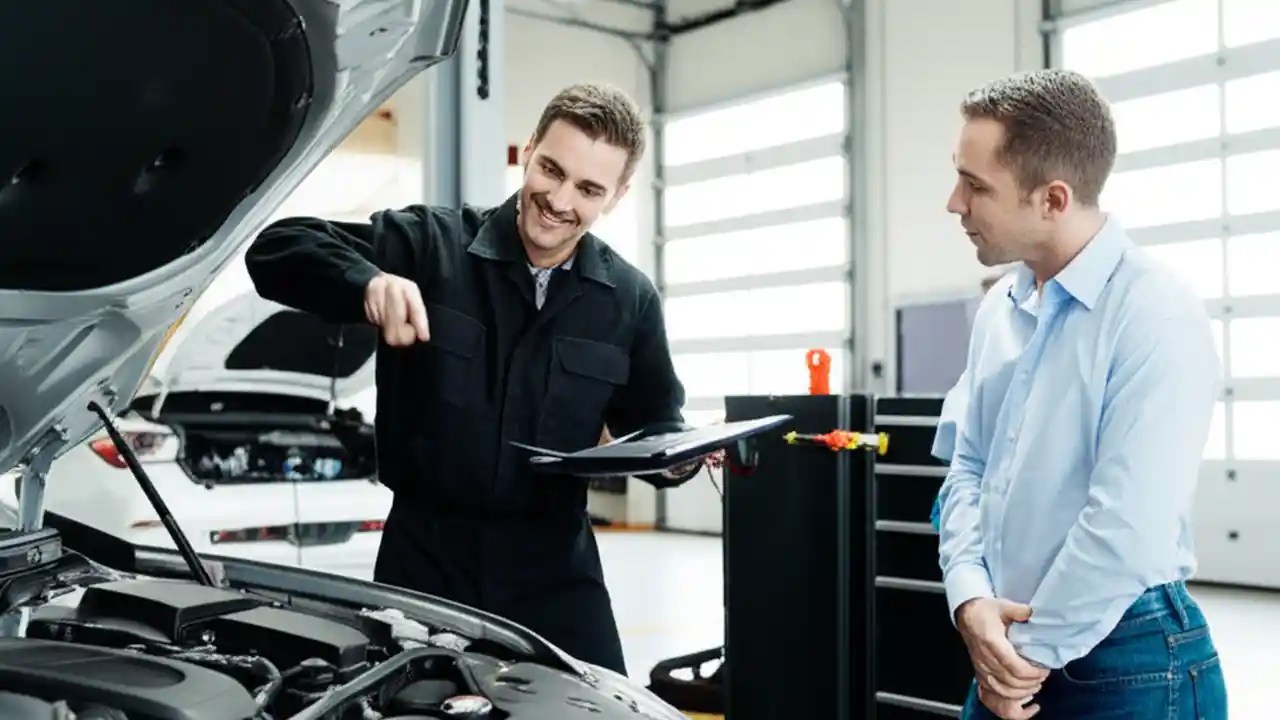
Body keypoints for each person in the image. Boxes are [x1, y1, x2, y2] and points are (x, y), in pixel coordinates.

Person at [244, 83, 704, 675]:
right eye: (551, 169)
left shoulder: (630, 300)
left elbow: (655, 421)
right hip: (427, 562)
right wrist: (365, 282)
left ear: (616, 195)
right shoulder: (430, 245)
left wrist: (679, 458)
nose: (560, 200)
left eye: (588, 189)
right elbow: (278, 246)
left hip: (556, 571)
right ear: (529, 148)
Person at [935, 69, 1227, 719]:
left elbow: (1129, 524)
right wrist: (969, 598)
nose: (954, 203)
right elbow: (967, 467)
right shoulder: (1000, 311)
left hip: (1129, 658)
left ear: (1054, 199)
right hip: (1006, 642)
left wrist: (1023, 661)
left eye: (975, 185)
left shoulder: (1155, 312)